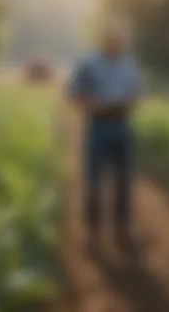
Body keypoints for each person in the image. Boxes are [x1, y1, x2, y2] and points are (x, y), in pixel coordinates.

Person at [67, 19, 143, 250]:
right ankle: (93, 232)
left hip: (122, 124)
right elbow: (73, 93)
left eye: (119, 42)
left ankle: (122, 228)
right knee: (94, 180)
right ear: (103, 41)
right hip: (98, 125)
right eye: (112, 41)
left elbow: (137, 93)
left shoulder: (129, 64)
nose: (116, 45)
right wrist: (93, 104)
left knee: (123, 180)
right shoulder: (88, 63)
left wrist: (130, 101)